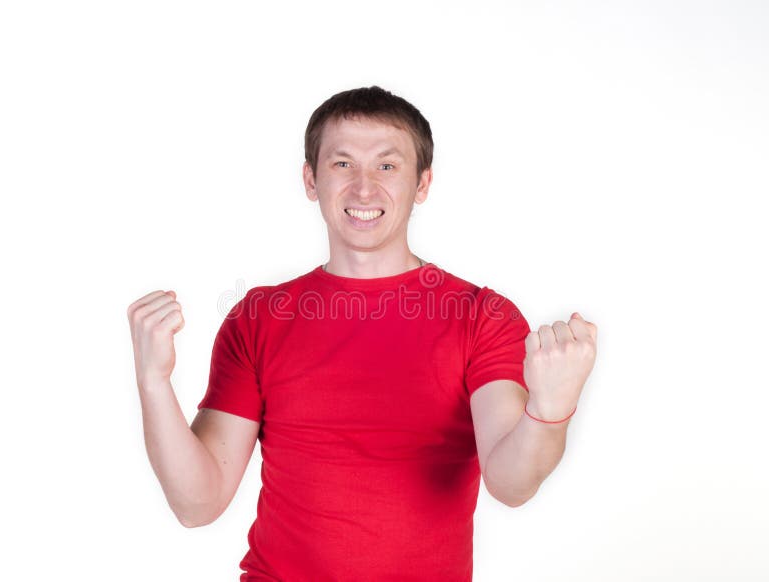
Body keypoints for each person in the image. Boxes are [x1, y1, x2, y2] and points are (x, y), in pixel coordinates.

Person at [126, 85, 598, 581]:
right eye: (342, 164)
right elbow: (197, 504)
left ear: (422, 184)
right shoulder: (259, 317)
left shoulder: (482, 316)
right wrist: (154, 384)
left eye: (388, 166)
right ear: (311, 179)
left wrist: (549, 412)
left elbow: (511, 484)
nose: (364, 188)